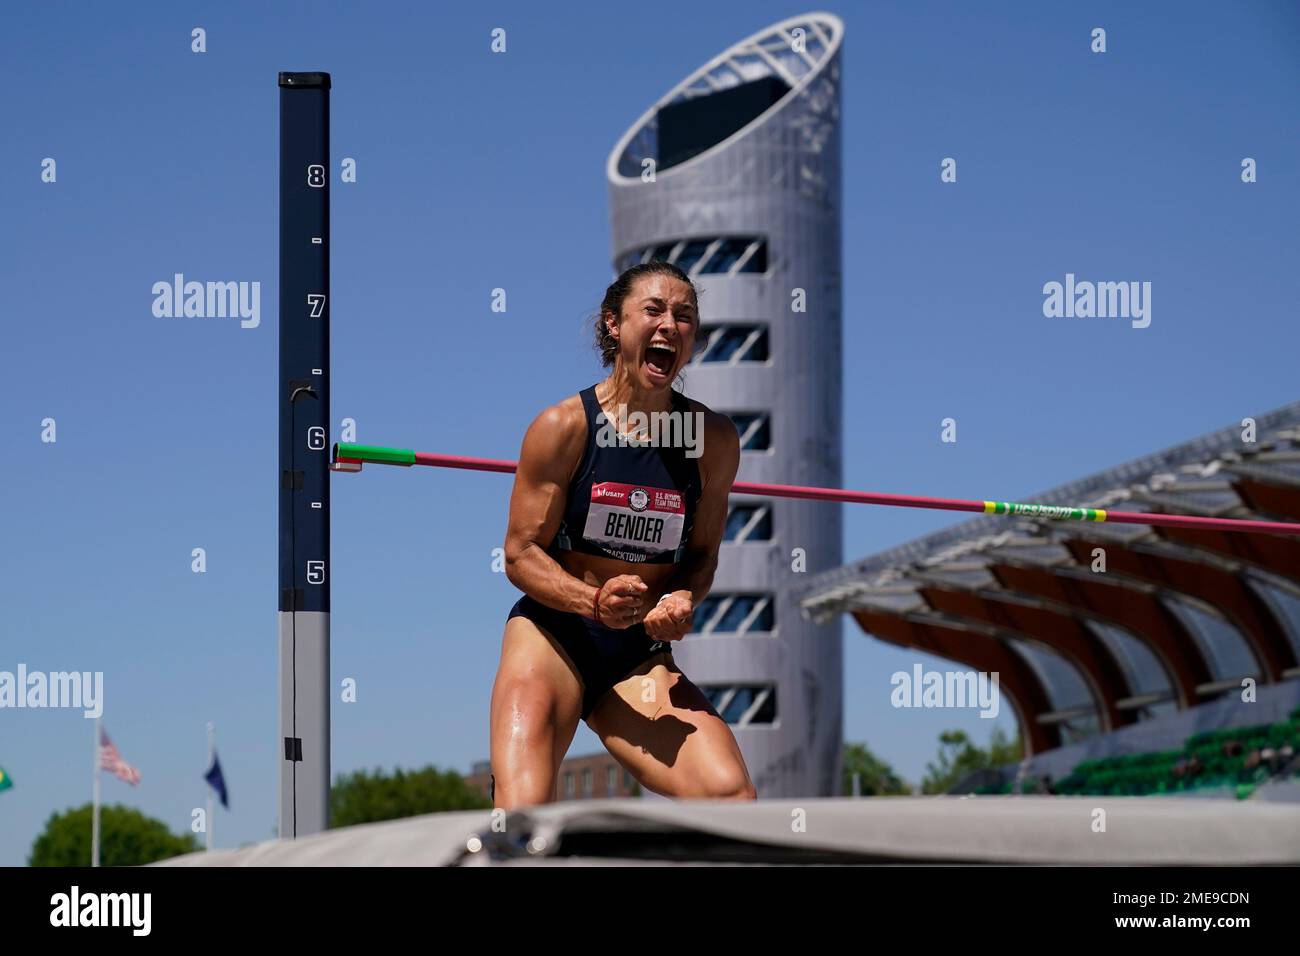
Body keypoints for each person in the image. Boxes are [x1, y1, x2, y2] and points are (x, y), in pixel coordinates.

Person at [489, 261, 756, 807]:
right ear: (614, 324)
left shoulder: (712, 439)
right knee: (522, 815)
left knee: (731, 797)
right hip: (552, 637)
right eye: (653, 310)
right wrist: (591, 601)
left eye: (685, 317)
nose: (669, 326)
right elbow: (519, 555)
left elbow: (702, 557)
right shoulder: (563, 426)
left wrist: (683, 595)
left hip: (636, 654)